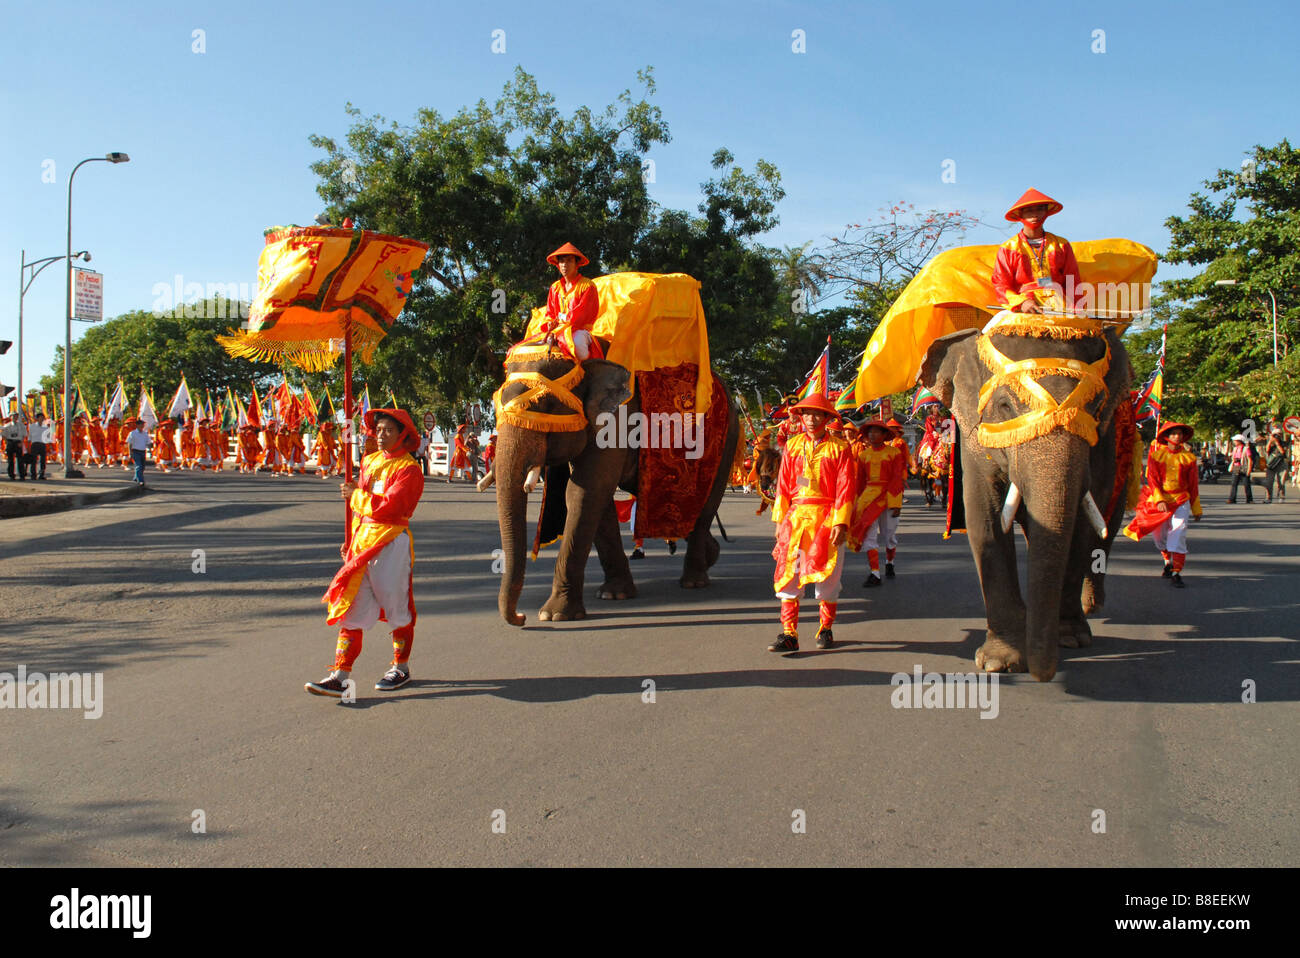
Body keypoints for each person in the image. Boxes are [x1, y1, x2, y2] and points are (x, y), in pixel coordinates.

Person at [308, 408, 425, 697]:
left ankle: (401, 667)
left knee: (397, 606)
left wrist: (355, 496)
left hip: (390, 542)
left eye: (388, 430)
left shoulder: (409, 470)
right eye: (379, 429)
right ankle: (340, 675)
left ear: (403, 435)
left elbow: (391, 508)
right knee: (351, 609)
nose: (381, 435)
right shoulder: (370, 461)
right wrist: (351, 538)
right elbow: (359, 511)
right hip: (363, 543)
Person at [769, 393, 856, 652]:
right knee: (790, 574)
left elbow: (845, 488)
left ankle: (825, 628)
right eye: (806, 413)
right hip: (795, 520)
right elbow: (783, 486)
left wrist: (841, 523)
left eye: (817, 413)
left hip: (826, 519)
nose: (810, 418)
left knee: (828, 576)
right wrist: (779, 520)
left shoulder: (840, 448)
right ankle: (789, 634)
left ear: (827, 418)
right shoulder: (793, 446)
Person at [1123, 422, 1202, 588]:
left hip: (1181, 500)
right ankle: (1167, 561)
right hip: (1160, 502)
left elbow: (1193, 485)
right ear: (1167, 437)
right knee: (1159, 537)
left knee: (1178, 533)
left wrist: (1196, 508)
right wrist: (1159, 500)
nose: (1177, 436)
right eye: (1173, 434)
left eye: (1179, 433)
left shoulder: (1189, 458)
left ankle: (1176, 572)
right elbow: (1152, 479)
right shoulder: (1156, 456)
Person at [992, 189, 1087, 315]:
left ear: (1046, 212)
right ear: (1020, 214)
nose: (1035, 215)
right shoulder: (1008, 248)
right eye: (1029, 211)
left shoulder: (1061, 245)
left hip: (1061, 305)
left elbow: (1072, 282)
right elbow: (1001, 285)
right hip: (1025, 307)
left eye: (1039, 209)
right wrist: (1022, 302)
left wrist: (1077, 309)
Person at [849, 419, 907, 587]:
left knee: (889, 535)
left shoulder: (894, 453)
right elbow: (859, 481)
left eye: (876, 432)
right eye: (870, 432)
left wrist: (896, 503)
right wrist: (855, 503)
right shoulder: (863, 455)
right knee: (869, 534)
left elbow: (897, 478)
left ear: (883, 435)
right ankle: (875, 573)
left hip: (888, 498)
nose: (872, 435)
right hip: (868, 499)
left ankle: (890, 562)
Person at [539, 242, 603, 361]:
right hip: (558, 330)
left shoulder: (587, 286)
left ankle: (588, 373)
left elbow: (579, 316)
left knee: (577, 345)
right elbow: (550, 313)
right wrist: (549, 323)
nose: (564, 265)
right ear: (558, 265)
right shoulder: (555, 287)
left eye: (569, 261)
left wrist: (558, 328)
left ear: (576, 264)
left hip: (579, 330)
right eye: (562, 261)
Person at [1226, 433, 1256, 503]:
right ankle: (1232, 499)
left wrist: (1249, 469)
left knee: (1246, 484)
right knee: (1234, 483)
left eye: (1235, 440)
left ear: (1239, 441)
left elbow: (1249, 459)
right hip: (1236, 467)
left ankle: (1249, 499)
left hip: (1244, 468)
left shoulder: (1246, 449)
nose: (1234, 442)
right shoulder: (1235, 449)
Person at [1264, 423, 1289, 503]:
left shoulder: (1284, 443)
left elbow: (1283, 452)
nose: (1277, 436)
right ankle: (1268, 497)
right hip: (1271, 464)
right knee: (1269, 481)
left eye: (1278, 434)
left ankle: (1281, 495)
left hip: (1281, 463)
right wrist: (1270, 441)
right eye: (1275, 434)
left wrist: (1277, 443)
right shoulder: (1271, 443)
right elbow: (1267, 451)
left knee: (1281, 481)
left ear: (1281, 435)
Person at [127, 417, 151, 486]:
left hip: (143, 451)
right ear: (137, 425)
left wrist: (150, 451)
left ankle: (135, 478)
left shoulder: (145, 433)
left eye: (143, 424)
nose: (142, 426)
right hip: (135, 451)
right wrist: (129, 452)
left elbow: (148, 442)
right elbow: (129, 443)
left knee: (142, 467)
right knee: (138, 466)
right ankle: (141, 480)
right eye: (141, 424)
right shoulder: (132, 433)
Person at [4, 413, 27, 480]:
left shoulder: (21, 425)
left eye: (16, 416)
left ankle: (22, 475)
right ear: (10, 417)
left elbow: (24, 435)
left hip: (18, 442)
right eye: (13, 416)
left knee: (20, 460)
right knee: (10, 460)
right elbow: (3, 435)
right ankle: (11, 475)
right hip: (10, 442)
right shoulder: (7, 426)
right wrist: (7, 443)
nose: (15, 417)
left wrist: (21, 442)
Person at [27, 413, 51, 480]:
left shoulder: (46, 427)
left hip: (42, 444)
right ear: (37, 418)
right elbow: (29, 437)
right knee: (33, 460)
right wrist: (28, 446)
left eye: (43, 418)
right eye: (40, 417)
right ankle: (33, 475)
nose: (41, 419)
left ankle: (41, 474)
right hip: (35, 444)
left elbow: (48, 437)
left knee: (43, 461)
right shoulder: (32, 426)